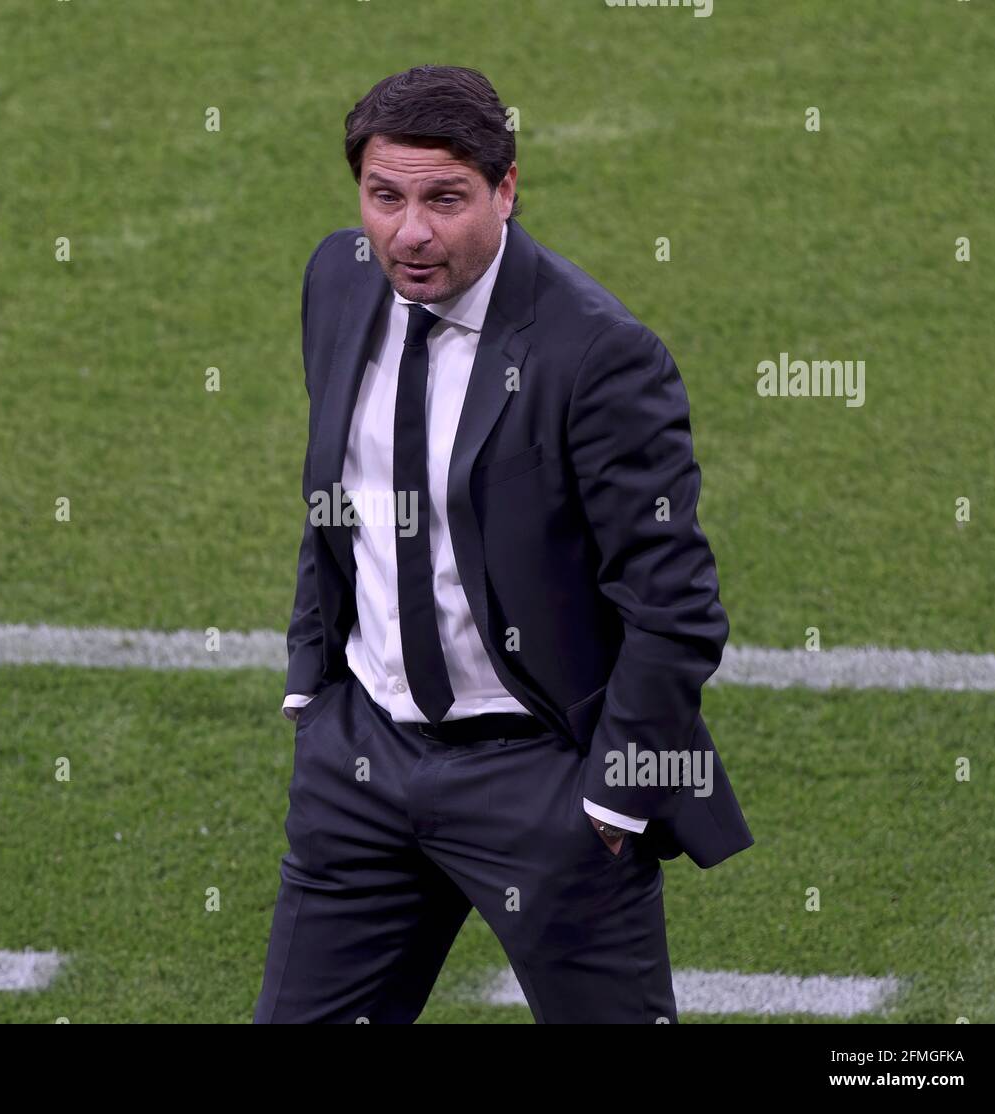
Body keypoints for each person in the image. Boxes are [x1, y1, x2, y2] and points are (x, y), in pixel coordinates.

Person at [254, 64, 753, 1024]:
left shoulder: (599, 352)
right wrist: (311, 684)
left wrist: (608, 805)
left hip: (542, 782)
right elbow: (338, 493)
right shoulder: (336, 279)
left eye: (445, 199)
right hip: (358, 767)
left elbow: (674, 602)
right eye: (384, 197)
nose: (410, 232)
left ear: (507, 189)